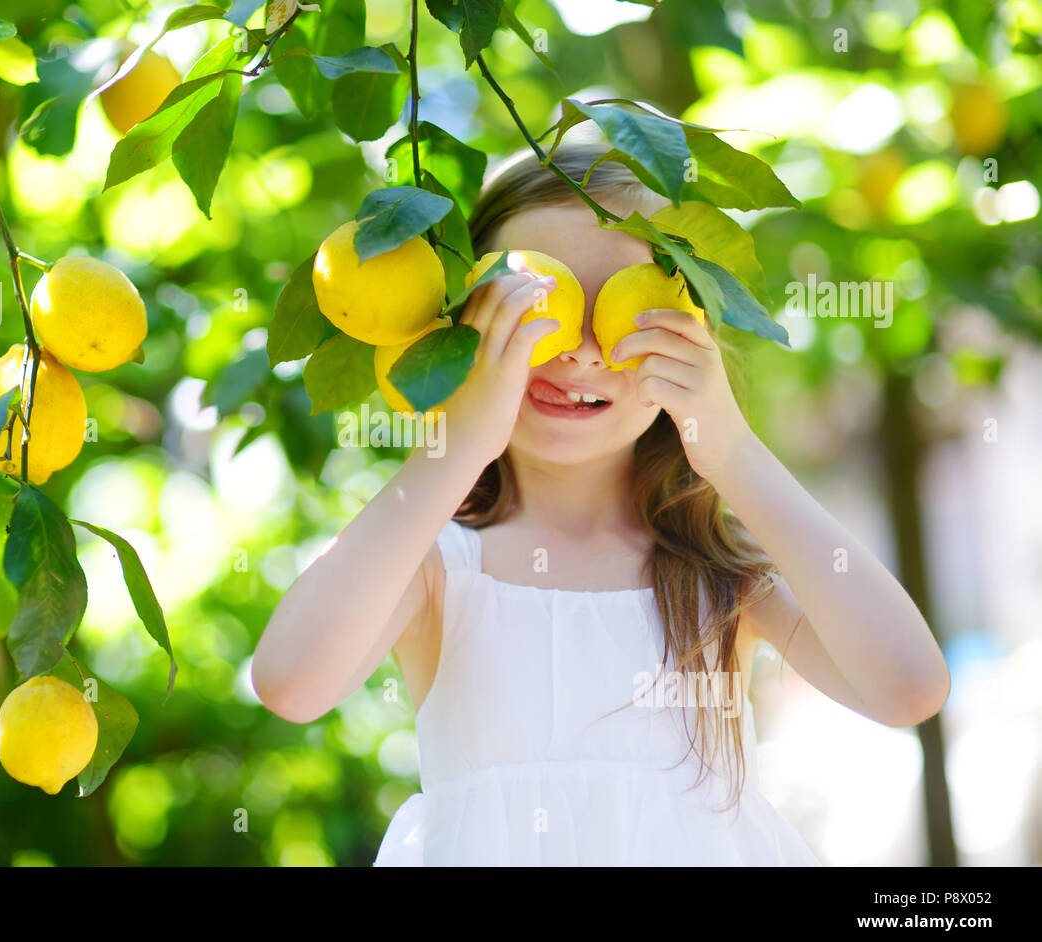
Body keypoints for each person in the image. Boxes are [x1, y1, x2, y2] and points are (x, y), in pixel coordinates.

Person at [251, 141, 950, 866]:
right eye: (533, 307)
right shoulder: (438, 562)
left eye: (626, 310)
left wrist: (732, 450)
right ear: (457, 320)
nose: (580, 352)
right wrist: (455, 448)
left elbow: (908, 688)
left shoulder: (719, 570)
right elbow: (293, 683)